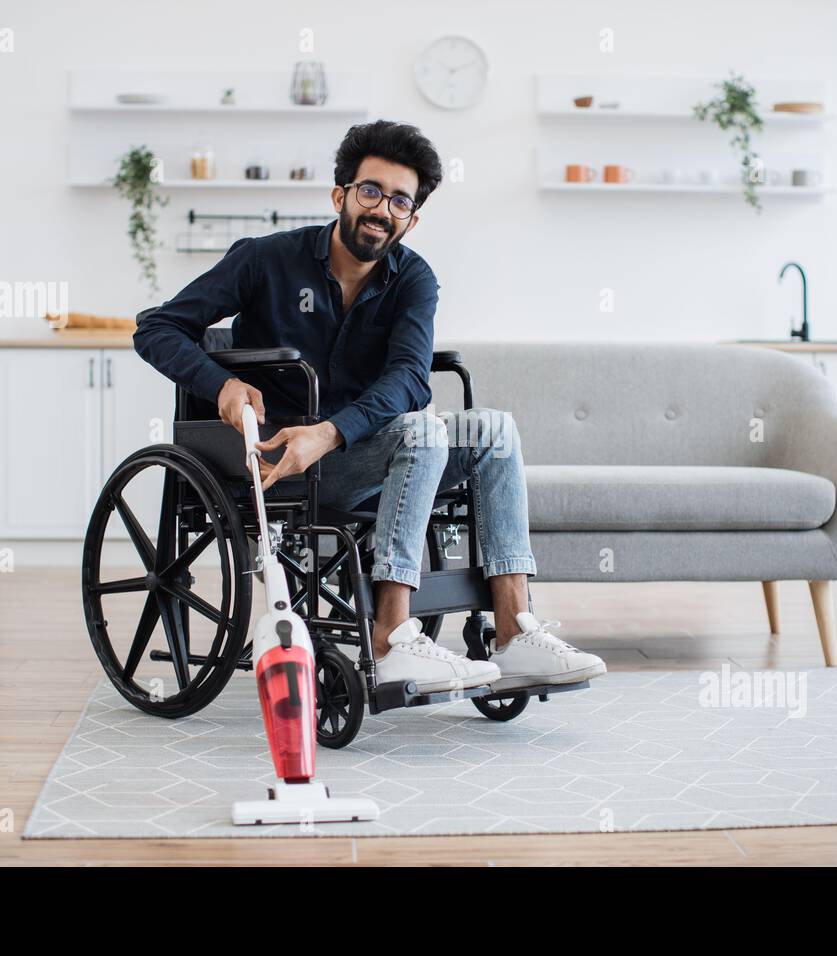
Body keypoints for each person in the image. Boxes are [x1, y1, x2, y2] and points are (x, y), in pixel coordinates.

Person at [134, 119, 605, 695]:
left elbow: (410, 376)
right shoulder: (264, 261)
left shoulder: (414, 279)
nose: (383, 209)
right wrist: (221, 385)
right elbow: (156, 328)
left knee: (493, 431)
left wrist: (329, 433)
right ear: (341, 196)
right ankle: (389, 642)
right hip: (277, 459)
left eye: (400, 201)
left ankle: (514, 632)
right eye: (371, 191)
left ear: (411, 218)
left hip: (358, 452)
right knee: (421, 433)